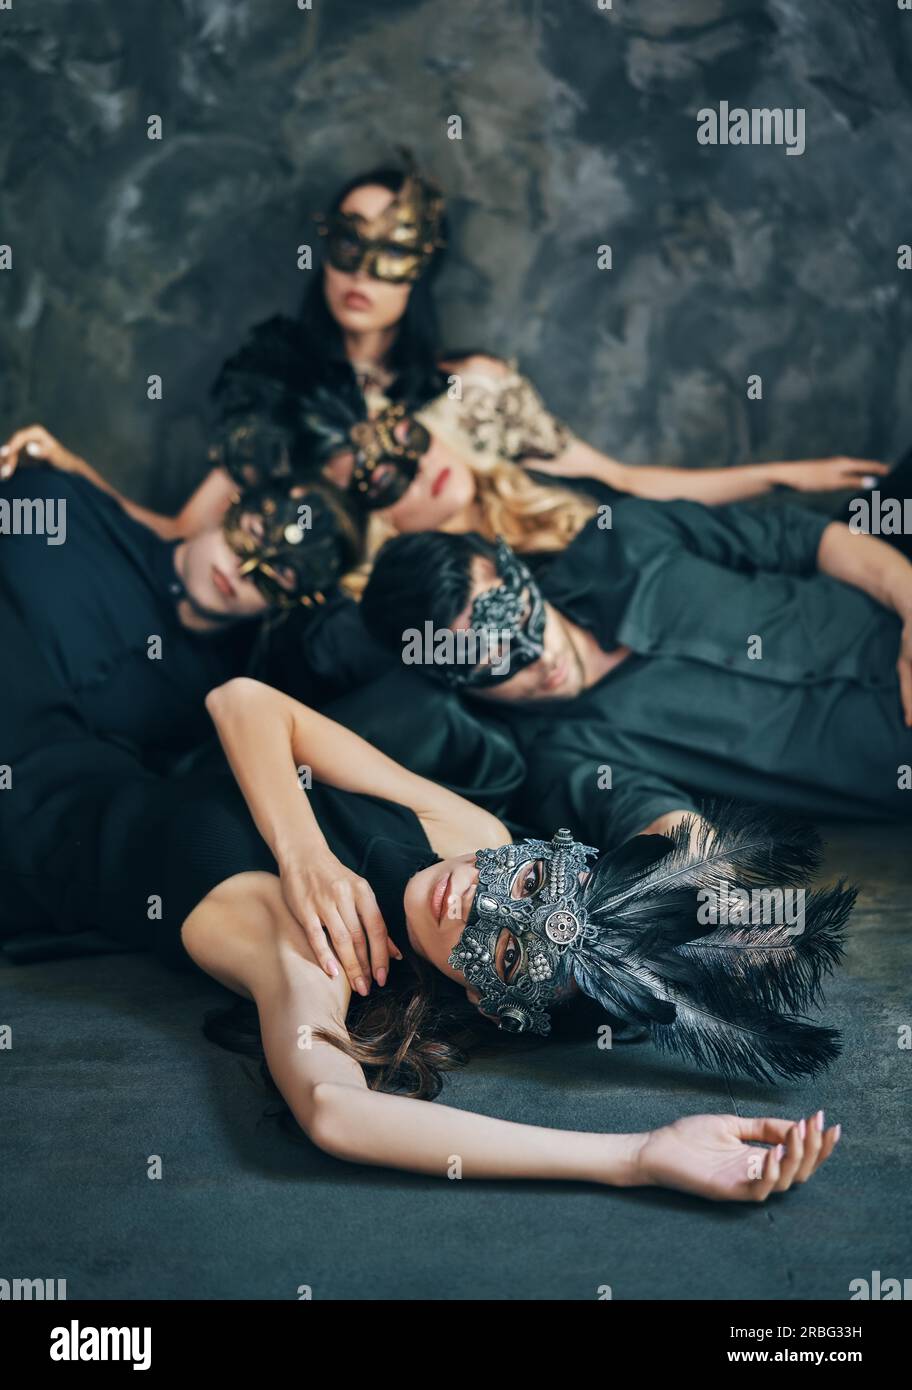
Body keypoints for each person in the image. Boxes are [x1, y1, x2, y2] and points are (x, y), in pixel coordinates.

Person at [153, 674, 846, 1201]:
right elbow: (242, 699)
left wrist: (635, 1158)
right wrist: (306, 856)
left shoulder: (323, 953)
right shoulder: (475, 837)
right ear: (544, 849)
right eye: (530, 882)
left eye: (509, 954)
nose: (474, 902)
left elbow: (336, 1112)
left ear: (493, 1006)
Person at [359, 496, 912, 847]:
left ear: (514, 571)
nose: (541, 656)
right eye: (494, 661)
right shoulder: (560, 758)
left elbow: (798, 537)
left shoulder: (626, 536)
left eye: (521, 618)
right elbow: (653, 820)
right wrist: (703, 879)